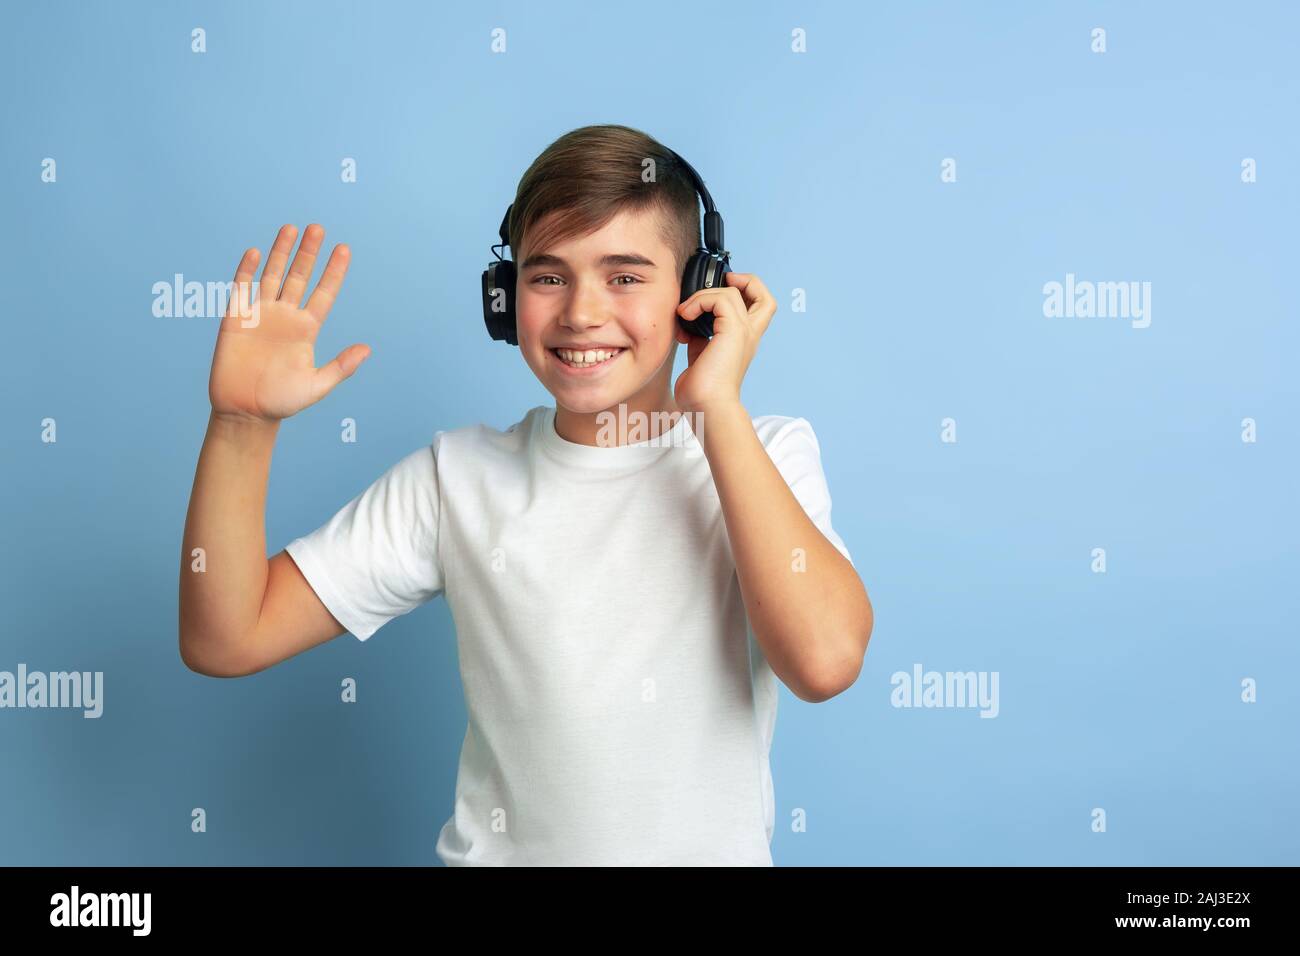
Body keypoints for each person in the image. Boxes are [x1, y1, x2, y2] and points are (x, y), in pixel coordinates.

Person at [178, 123, 874, 866]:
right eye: (548, 277)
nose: (580, 312)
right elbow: (227, 636)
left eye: (626, 276)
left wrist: (718, 409)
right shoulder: (458, 479)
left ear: (699, 293)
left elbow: (825, 660)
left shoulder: (761, 452)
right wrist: (240, 425)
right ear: (504, 300)